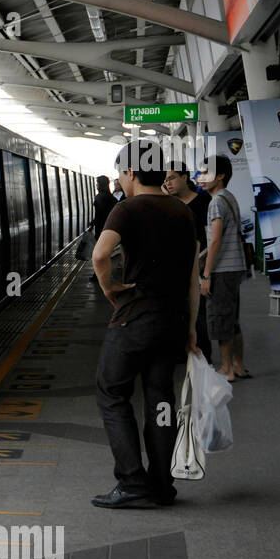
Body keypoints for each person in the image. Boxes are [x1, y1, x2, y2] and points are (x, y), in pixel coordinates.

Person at [91, 140, 200, 509]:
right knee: (159, 400)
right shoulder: (183, 211)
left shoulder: (127, 208)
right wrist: (191, 328)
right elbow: (192, 276)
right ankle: (162, 484)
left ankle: (133, 483)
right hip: (173, 320)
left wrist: (109, 289)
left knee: (112, 393)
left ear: (131, 173)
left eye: (122, 174)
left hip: (136, 319)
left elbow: (100, 254)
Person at [199, 155, 250, 382]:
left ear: (220, 176)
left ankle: (227, 369)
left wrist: (207, 274)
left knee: (220, 319)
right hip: (234, 267)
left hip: (222, 269)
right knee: (232, 319)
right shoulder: (229, 197)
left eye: (205, 173)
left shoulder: (216, 202)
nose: (200, 178)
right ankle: (238, 366)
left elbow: (216, 240)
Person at [164, 165, 213, 363]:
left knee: (199, 313)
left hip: (197, 266)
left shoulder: (203, 202)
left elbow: (211, 237)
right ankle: (179, 354)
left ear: (185, 177)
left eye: (172, 178)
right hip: (172, 268)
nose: (168, 183)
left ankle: (203, 356)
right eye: (165, 180)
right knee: (175, 312)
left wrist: (206, 270)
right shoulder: (167, 203)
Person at [88, 175, 118, 281]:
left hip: (101, 229)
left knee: (98, 252)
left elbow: (99, 215)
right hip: (111, 228)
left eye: (97, 183)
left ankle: (98, 275)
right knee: (108, 253)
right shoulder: (113, 198)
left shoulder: (99, 197)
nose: (96, 185)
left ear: (101, 184)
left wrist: (93, 223)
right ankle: (105, 274)